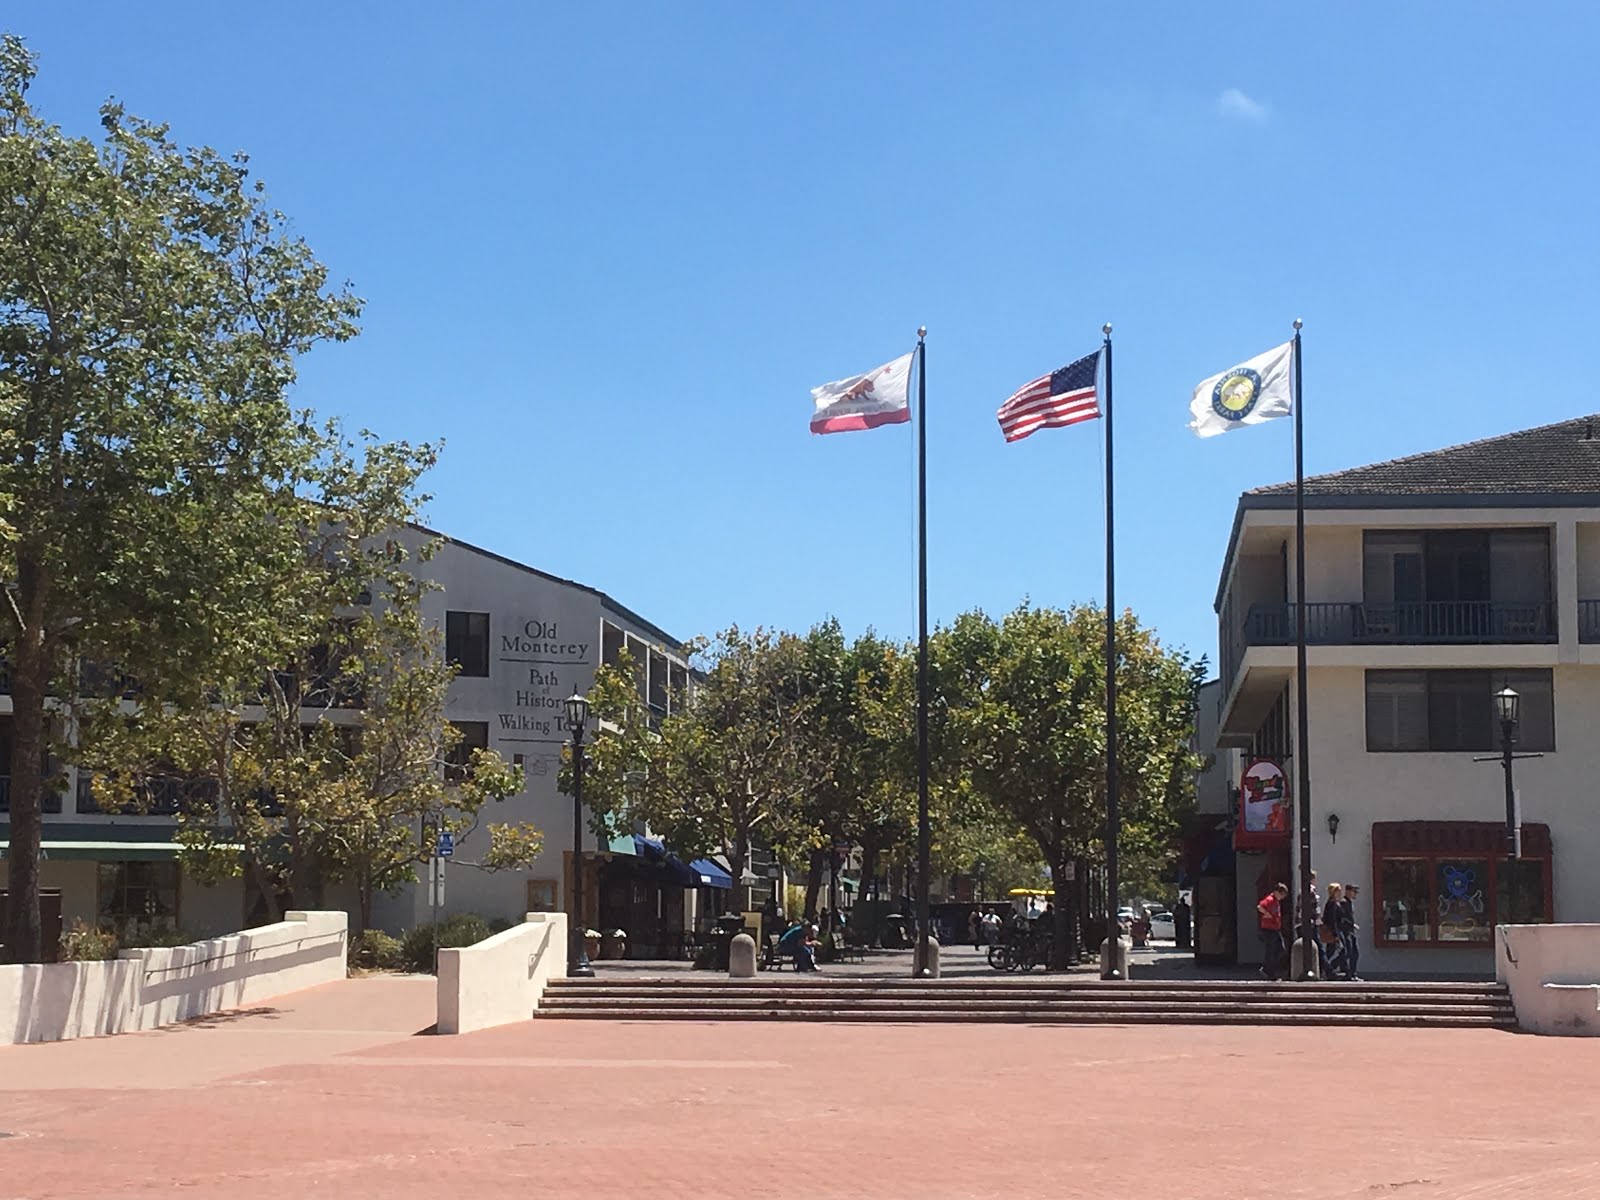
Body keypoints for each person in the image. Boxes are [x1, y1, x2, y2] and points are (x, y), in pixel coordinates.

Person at [1257, 883, 1289, 981]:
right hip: (1269, 928)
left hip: (1275, 928)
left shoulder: (1276, 901)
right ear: (1276, 892)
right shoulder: (1270, 900)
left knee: (1280, 949)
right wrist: (1267, 913)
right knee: (1271, 950)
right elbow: (1260, 906)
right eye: (1281, 894)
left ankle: (1268, 967)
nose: (1282, 897)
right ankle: (1269, 971)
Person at [1321, 883, 1349, 979]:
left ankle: (1329, 970)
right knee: (1343, 952)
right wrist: (1336, 934)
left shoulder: (1335, 903)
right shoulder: (1332, 904)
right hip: (1335, 931)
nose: (1340, 892)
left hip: (1337, 930)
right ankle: (1330, 969)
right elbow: (1332, 920)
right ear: (1334, 892)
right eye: (1339, 890)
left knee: (1331, 952)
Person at [1340, 884, 1363, 981]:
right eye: (1354, 892)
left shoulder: (1349, 902)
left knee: (1354, 953)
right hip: (1346, 931)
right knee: (1349, 952)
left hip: (1350, 931)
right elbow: (1343, 917)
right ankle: (1347, 973)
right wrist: (1352, 924)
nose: (1355, 894)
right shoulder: (1343, 902)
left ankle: (1352, 973)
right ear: (1348, 891)